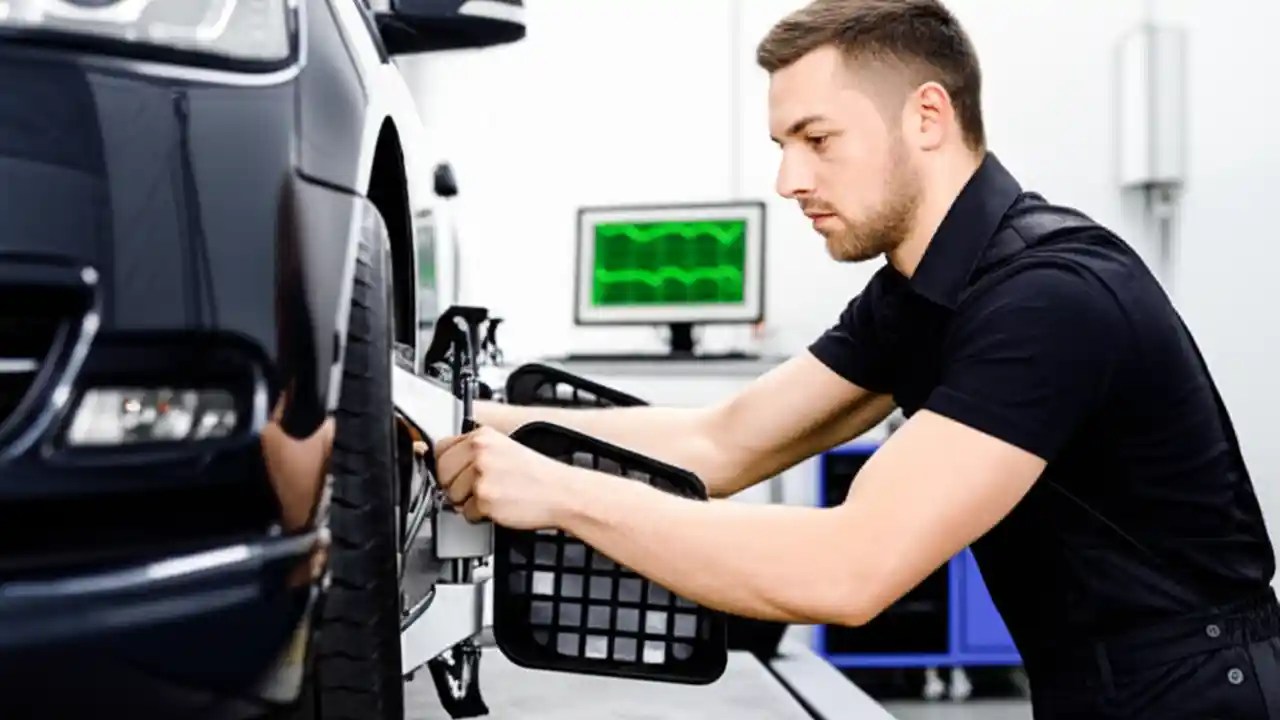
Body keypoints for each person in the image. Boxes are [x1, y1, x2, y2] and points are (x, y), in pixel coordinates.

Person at [433, 0, 1280, 716]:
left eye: (817, 138)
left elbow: (852, 568)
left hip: (1203, 689)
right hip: (1092, 686)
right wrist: (467, 420)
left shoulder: (1048, 295)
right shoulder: (916, 293)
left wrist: (556, 491)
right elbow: (722, 444)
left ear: (927, 117)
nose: (788, 180)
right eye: (780, 146)